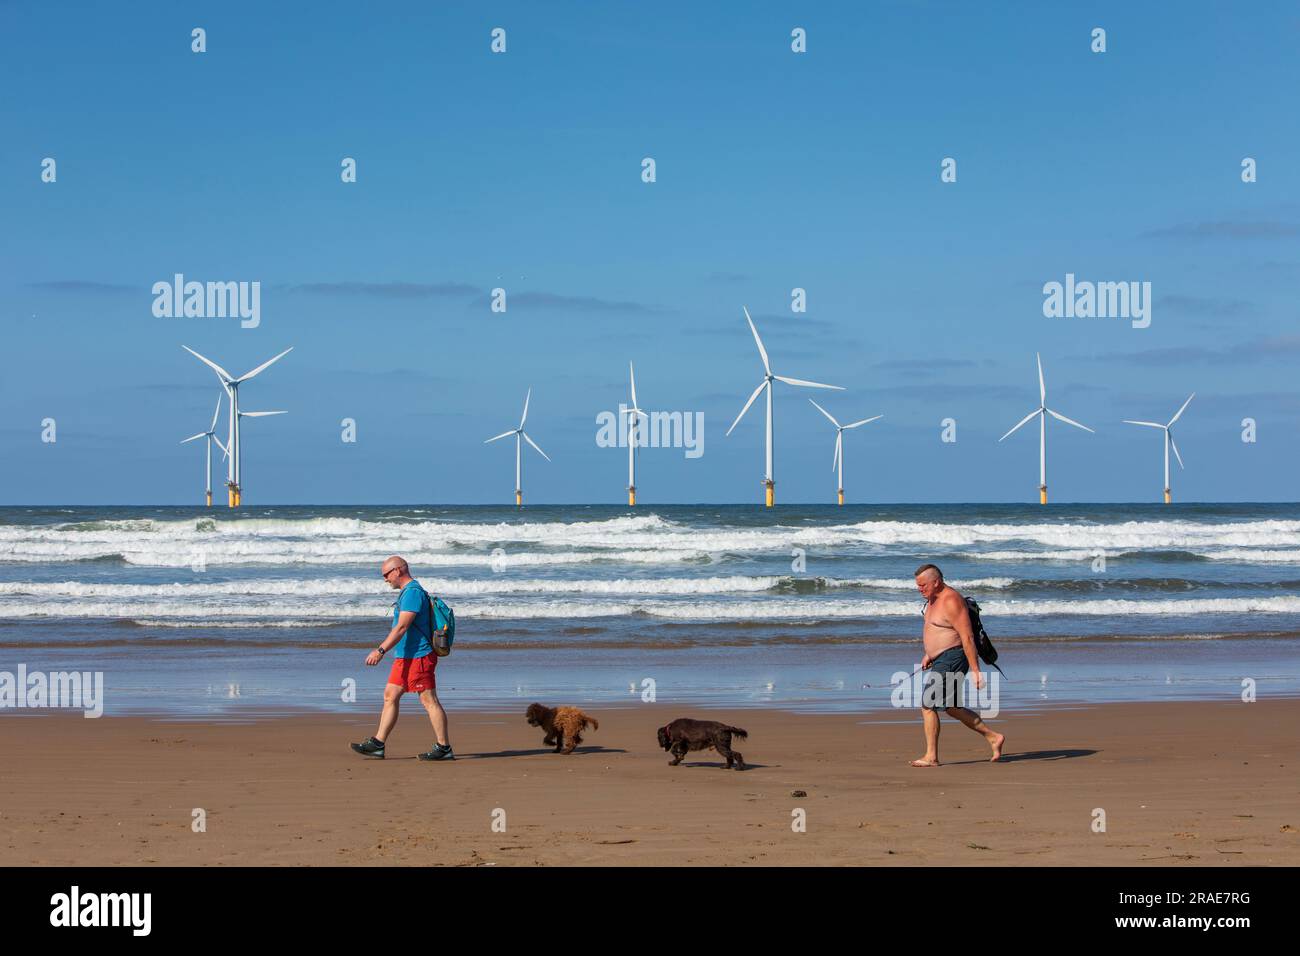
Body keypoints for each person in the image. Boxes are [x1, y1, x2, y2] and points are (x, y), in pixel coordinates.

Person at [350, 555, 453, 761]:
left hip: (419, 655)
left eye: (386, 574)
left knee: (428, 700)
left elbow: (402, 627)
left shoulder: (413, 593)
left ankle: (444, 748)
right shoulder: (408, 592)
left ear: (398, 570)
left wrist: (380, 651)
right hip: (406, 655)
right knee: (390, 695)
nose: (385, 579)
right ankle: (378, 744)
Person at [909, 563, 1004, 767]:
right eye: (918, 585)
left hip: (953, 657)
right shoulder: (932, 599)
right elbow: (939, 629)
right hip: (941, 658)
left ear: (936, 582)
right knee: (952, 708)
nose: (919, 589)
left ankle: (931, 756)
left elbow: (967, 637)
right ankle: (993, 737)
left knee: (928, 704)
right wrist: (929, 654)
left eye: (923, 585)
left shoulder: (951, 601)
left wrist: (976, 670)